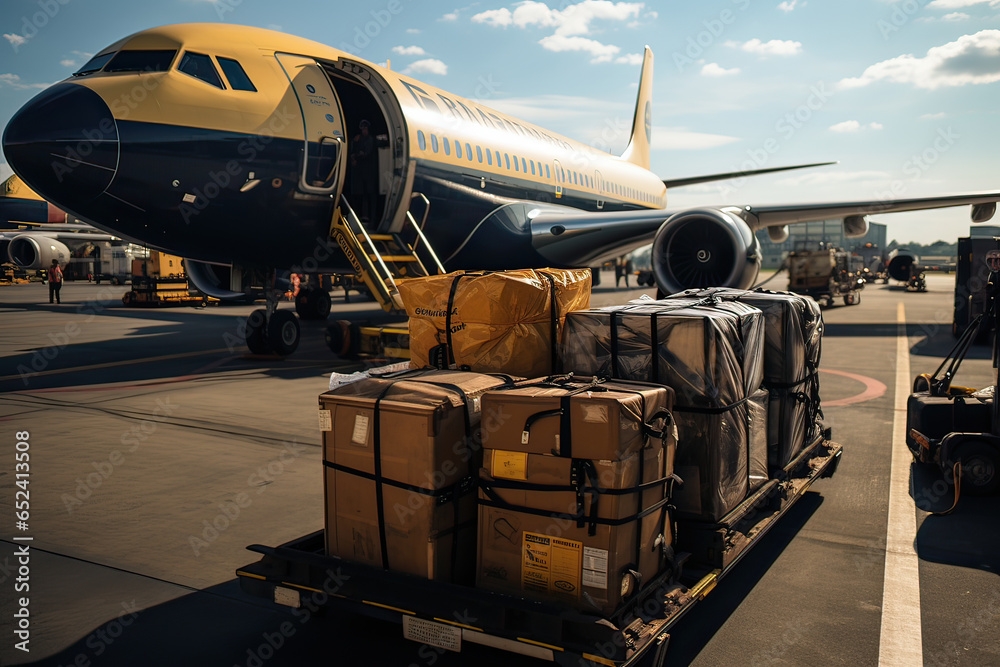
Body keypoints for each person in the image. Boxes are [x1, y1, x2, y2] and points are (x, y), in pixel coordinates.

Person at [350, 119, 379, 222]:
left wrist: (356, 157)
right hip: (361, 172)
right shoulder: (358, 139)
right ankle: (362, 215)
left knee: (369, 194)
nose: (364, 131)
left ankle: (371, 217)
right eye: (362, 129)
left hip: (369, 172)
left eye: (365, 129)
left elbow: (365, 153)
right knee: (360, 193)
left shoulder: (370, 140)